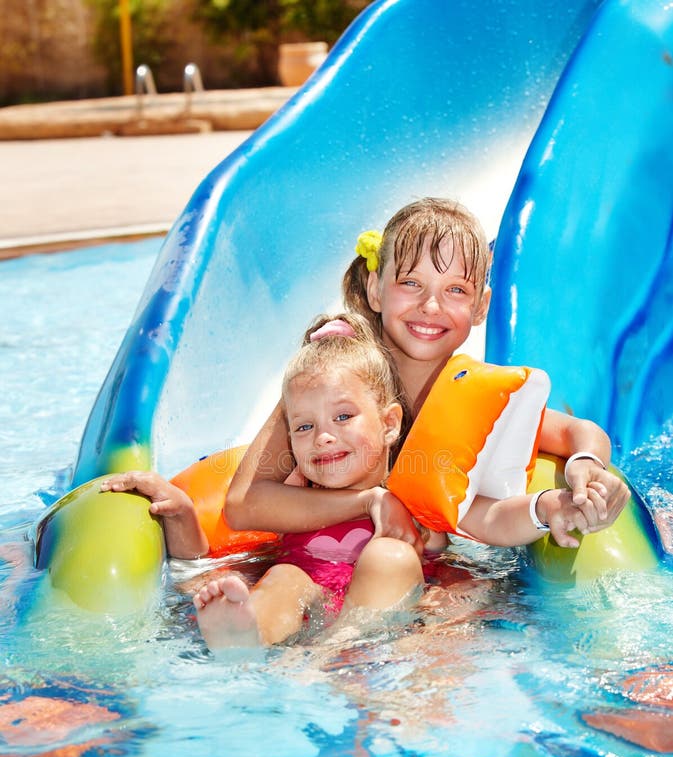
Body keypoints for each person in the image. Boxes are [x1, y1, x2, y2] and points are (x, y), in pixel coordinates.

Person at [102, 313, 596, 649]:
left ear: (388, 422)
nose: (323, 438)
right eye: (303, 427)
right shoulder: (291, 495)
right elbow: (204, 563)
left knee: (392, 555)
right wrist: (182, 514)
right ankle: (246, 639)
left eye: (343, 417)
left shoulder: (414, 491)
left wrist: (546, 505)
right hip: (306, 603)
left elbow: (484, 526)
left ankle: (333, 655)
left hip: (380, 622)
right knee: (283, 578)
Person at [225, 198, 630, 552]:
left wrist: (586, 464)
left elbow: (578, 431)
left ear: (480, 307)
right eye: (411, 283)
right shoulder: (337, 374)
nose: (431, 306)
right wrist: (371, 501)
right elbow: (243, 505)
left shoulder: (466, 394)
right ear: (376, 290)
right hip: (312, 560)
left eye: (456, 290)